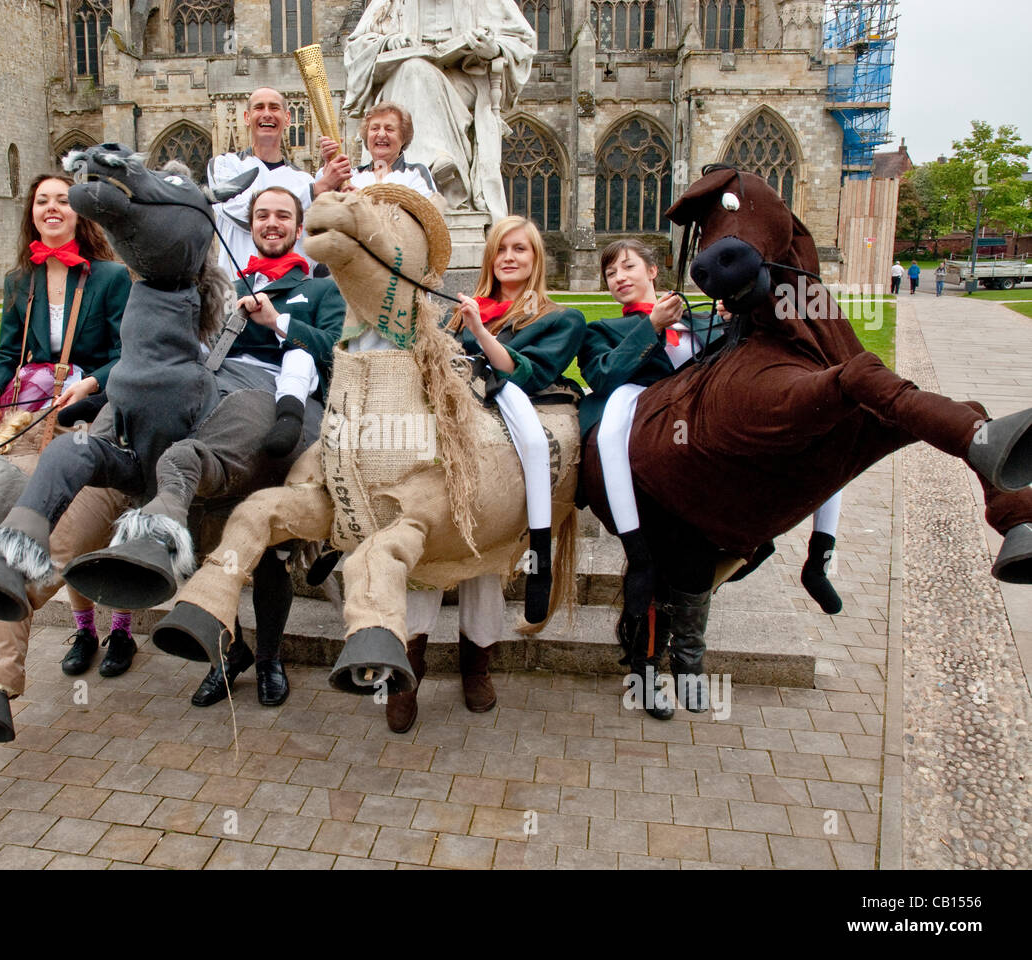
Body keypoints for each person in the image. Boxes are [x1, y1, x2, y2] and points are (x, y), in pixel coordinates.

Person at [577, 239, 843, 718]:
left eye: (628, 266)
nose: (619, 276)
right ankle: (648, 669)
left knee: (706, 561)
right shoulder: (604, 329)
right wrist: (649, 328)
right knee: (660, 564)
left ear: (653, 270)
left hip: (705, 461)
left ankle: (687, 660)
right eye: (610, 271)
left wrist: (735, 321)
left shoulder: (702, 321)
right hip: (648, 462)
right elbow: (605, 376)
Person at [386, 216, 585, 734]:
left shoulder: (560, 317)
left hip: (502, 423)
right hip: (447, 427)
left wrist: (476, 330)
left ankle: (478, 666)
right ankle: (408, 670)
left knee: (481, 548)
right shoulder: (459, 313)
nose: (510, 258)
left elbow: (527, 373)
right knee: (429, 537)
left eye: (520, 249)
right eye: (501, 250)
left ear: (536, 259)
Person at [0, 172, 139, 679]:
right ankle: (85, 628)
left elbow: (127, 354)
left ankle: (124, 632)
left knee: (98, 523)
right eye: (42, 201)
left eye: (63, 201)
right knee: (50, 520)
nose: (52, 208)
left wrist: (90, 386)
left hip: (95, 410)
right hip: (39, 411)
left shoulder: (111, 276)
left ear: (78, 213)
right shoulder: (19, 280)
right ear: (32, 213)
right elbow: (6, 351)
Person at [188, 185, 346, 708]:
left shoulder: (322, 289)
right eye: (262, 215)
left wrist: (277, 322)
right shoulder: (227, 286)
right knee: (208, 536)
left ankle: (271, 656)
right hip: (224, 412)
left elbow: (333, 351)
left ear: (298, 227)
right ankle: (229, 653)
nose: (272, 223)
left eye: (283, 215)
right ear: (250, 225)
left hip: (293, 415)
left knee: (270, 547)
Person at [342, 0, 535, 219]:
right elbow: (355, 48)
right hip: (403, 77)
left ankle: (420, 175)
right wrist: (388, 43)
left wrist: (493, 48)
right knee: (415, 68)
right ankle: (436, 166)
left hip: (463, 80)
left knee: (416, 71)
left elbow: (523, 42)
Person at [207, 87, 351, 278]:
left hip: (292, 294)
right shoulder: (225, 165)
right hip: (241, 291)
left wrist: (332, 187)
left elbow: (316, 242)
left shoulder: (303, 179)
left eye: (274, 108)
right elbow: (241, 213)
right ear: (247, 117)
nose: (267, 114)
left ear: (287, 118)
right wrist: (315, 190)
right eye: (259, 107)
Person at [314, 101, 437, 197]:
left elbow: (423, 214)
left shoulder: (416, 173)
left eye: (389, 129)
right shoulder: (351, 176)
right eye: (375, 128)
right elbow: (320, 206)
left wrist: (365, 199)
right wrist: (328, 166)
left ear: (403, 137)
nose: (381, 134)